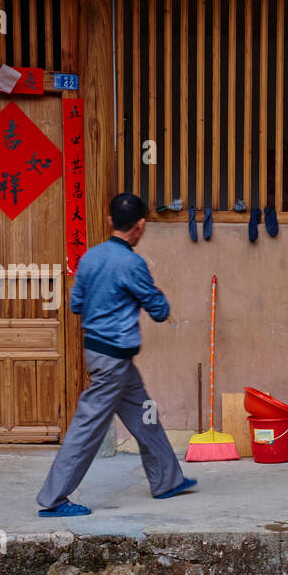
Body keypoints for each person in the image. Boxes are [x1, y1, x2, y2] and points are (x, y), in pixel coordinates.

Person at [36, 192, 196, 516]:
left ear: (110, 221)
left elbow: (76, 304)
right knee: (88, 426)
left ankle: (167, 479)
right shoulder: (132, 263)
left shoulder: (90, 258)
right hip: (114, 360)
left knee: (144, 414)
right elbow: (160, 310)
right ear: (139, 226)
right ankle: (53, 499)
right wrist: (157, 297)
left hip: (103, 354)